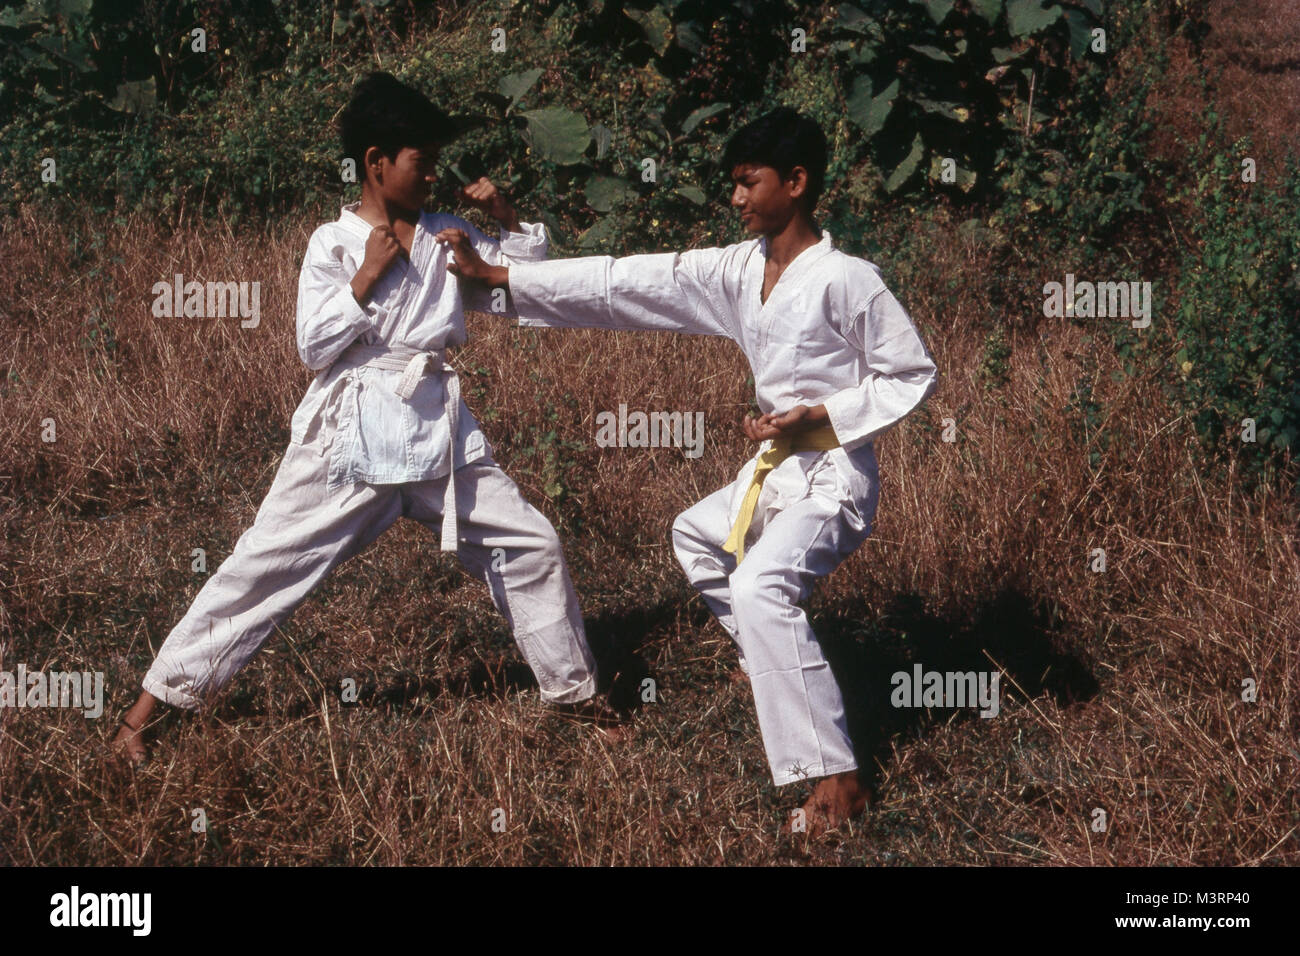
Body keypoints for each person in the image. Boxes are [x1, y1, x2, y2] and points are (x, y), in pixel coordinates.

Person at [442, 107, 938, 834]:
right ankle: (773, 666)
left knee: (760, 583)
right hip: (774, 469)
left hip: (832, 477)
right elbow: (626, 282)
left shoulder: (847, 278)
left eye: (749, 183)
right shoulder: (741, 269)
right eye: (732, 185)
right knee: (698, 537)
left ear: (796, 183)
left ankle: (837, 779)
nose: (736, 198)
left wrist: (817, 417)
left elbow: (909, 374)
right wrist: (501, 277)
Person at [112, 72, 623, 765]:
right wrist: (366, 277)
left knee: (530, 542)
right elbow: (312, 347)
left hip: (437, 428)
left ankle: (575, 693)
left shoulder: (450, 233)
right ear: (378, 163)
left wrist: (505, 222)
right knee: (266, 565)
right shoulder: (334, 242)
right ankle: (145, 713)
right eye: (422, 160)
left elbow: (519, 290)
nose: (435, 173)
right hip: (349, 432)